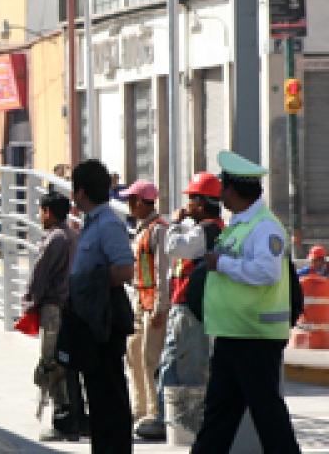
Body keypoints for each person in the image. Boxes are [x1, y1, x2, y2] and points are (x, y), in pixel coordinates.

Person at [191, 150, 301, 454]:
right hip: (235, 334)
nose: (220, 193)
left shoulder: (264, 227)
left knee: (267, 416)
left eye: (223, 186)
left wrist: (222, 264)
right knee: (219, 417)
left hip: (254, 337)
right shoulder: (241, 224)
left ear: (232, 190)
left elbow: (265, 272)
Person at [57, 158, 134, 454]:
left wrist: (90, 284)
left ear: (80, 193)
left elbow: (124, 269)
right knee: (97, 393)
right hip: (87, 319)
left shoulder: (109, 224)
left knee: (110, 392)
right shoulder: (90, 223)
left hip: (104, 317)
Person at [156, 171, 224, 437]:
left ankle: (179, 423)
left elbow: (175, 247)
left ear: (202, 202)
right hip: (187, 306)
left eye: (192, 200)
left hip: (190, 308)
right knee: (173, 361)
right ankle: (170, 419)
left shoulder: (206, 230)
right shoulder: (207, 229)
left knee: (182, 365)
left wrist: (174, 223)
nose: (187, 206)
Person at [23, 192, 83, 441]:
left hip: (53, 309)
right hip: (72, 308)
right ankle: (74, 420)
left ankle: (63, 422)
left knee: (52, 365)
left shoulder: (55, 239)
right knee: (66, 365)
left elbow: (40, 274)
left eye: (41, 211)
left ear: (48, 211)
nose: (40, 216)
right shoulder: (74, 236)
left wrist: (29, 302)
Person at [119, 180, 169, 441]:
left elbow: (163, 271)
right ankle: (139, 408)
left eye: (131, 201)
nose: (128, 206)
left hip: (153, 306)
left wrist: (161, 307)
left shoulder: (159, 230)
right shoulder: (142, 230)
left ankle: (154, 411)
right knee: (133, 353)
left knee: (151, 358)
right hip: (140, 301)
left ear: (141, 202)